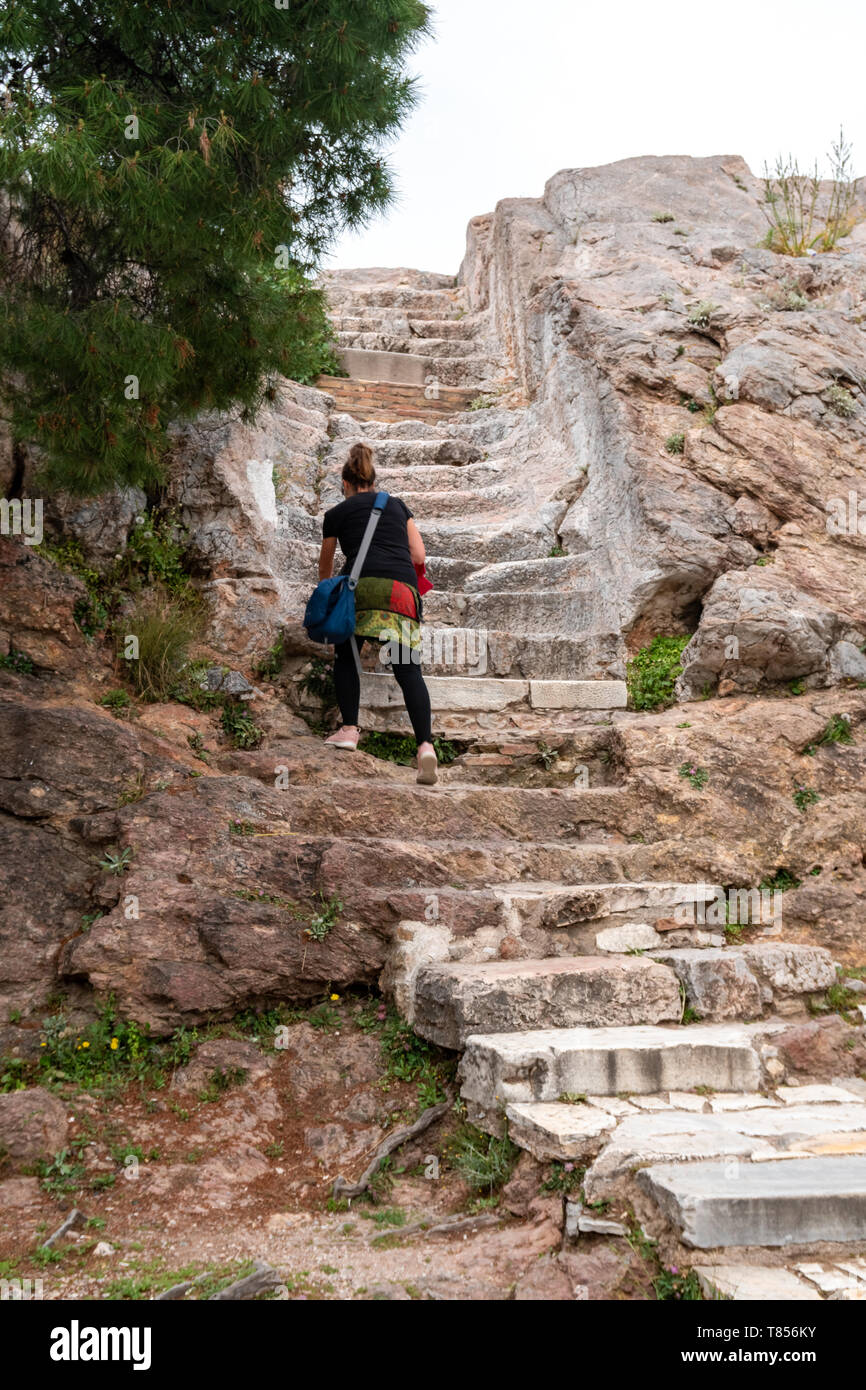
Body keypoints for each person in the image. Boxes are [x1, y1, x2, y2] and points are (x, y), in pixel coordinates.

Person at [317, 442, 438, 786]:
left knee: (346, 652)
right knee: (407, 669)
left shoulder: (336, 514)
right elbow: (418, 553)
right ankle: (425, 746)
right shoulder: (397, 506)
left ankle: (349, 729)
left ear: (346, 483)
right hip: (401, 592)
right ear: (373, 480)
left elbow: (325, 572)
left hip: (362, 588)